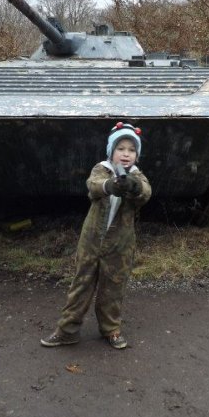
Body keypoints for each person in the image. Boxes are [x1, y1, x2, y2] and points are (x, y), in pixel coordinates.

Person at [41, 122, 151, 349]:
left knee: (114, 287)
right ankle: (67, 330)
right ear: (112, 151)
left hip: (120, 245)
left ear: (136, 156)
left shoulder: (137, 176)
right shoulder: (101, 169)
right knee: (81, 285)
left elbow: (146, 194)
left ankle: (111, 329)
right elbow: (93, 186)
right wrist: (110, 186)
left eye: (131, 150)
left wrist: (133, 187)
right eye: (121, 148)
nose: (126, 154)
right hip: (91, 240)